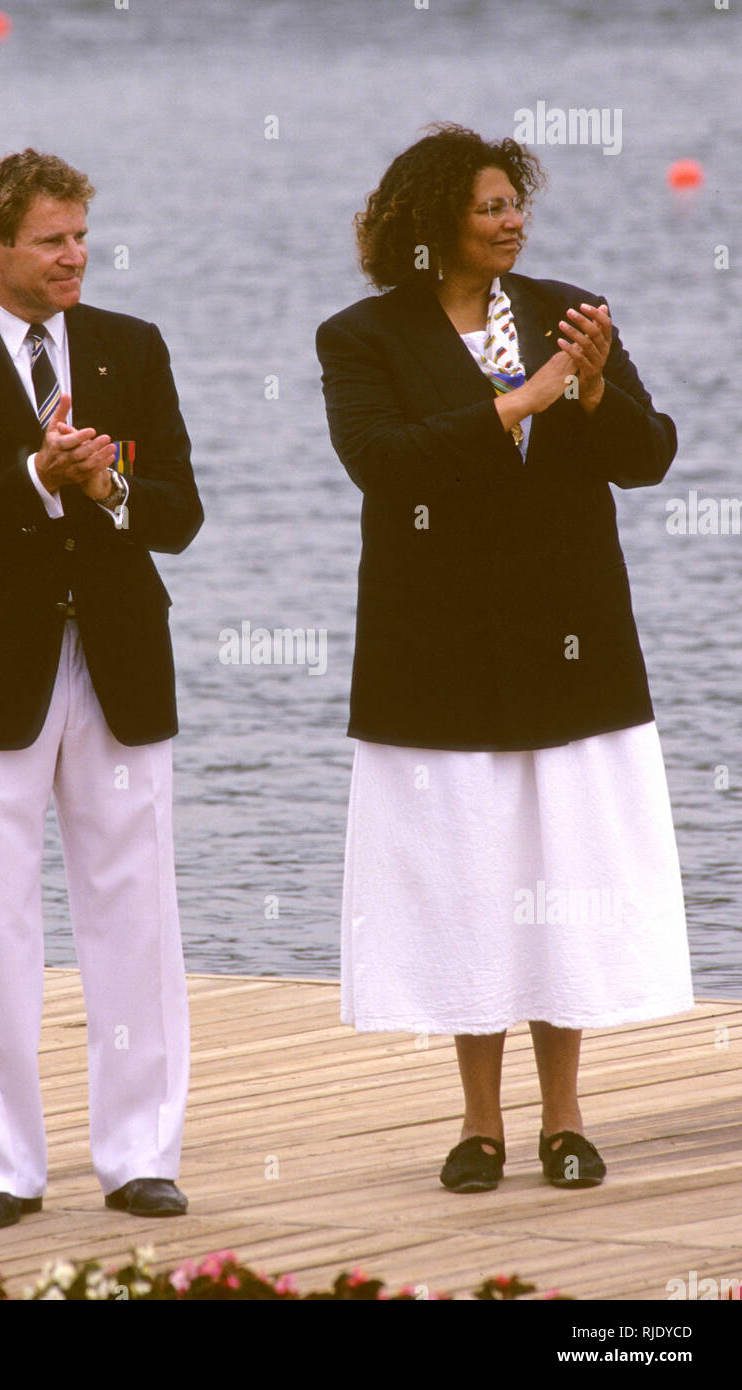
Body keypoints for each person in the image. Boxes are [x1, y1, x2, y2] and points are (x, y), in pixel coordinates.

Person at [315, 123, 693, 1194]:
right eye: (488, 206)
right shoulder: (360, 335)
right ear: (432, 222)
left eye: (514, 203)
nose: (511, 220)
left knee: (558, 876)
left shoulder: (568, 310)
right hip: (433, 649)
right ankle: (478, 1124)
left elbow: (650, 456)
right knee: (468, 879)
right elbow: (381, 464)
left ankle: (564, 1122)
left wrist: (587, 387)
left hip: (569, 643)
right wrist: (516, 402)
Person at [0, 149, 202, 1230]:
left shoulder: (131, 345)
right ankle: (2, 1168)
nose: (76, 256)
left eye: (81, 236)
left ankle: (141, 1152)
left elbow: (181, 514)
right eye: (52, 240)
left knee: (136, 912)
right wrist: (35, 475)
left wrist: (109, 483)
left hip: (119, 661)